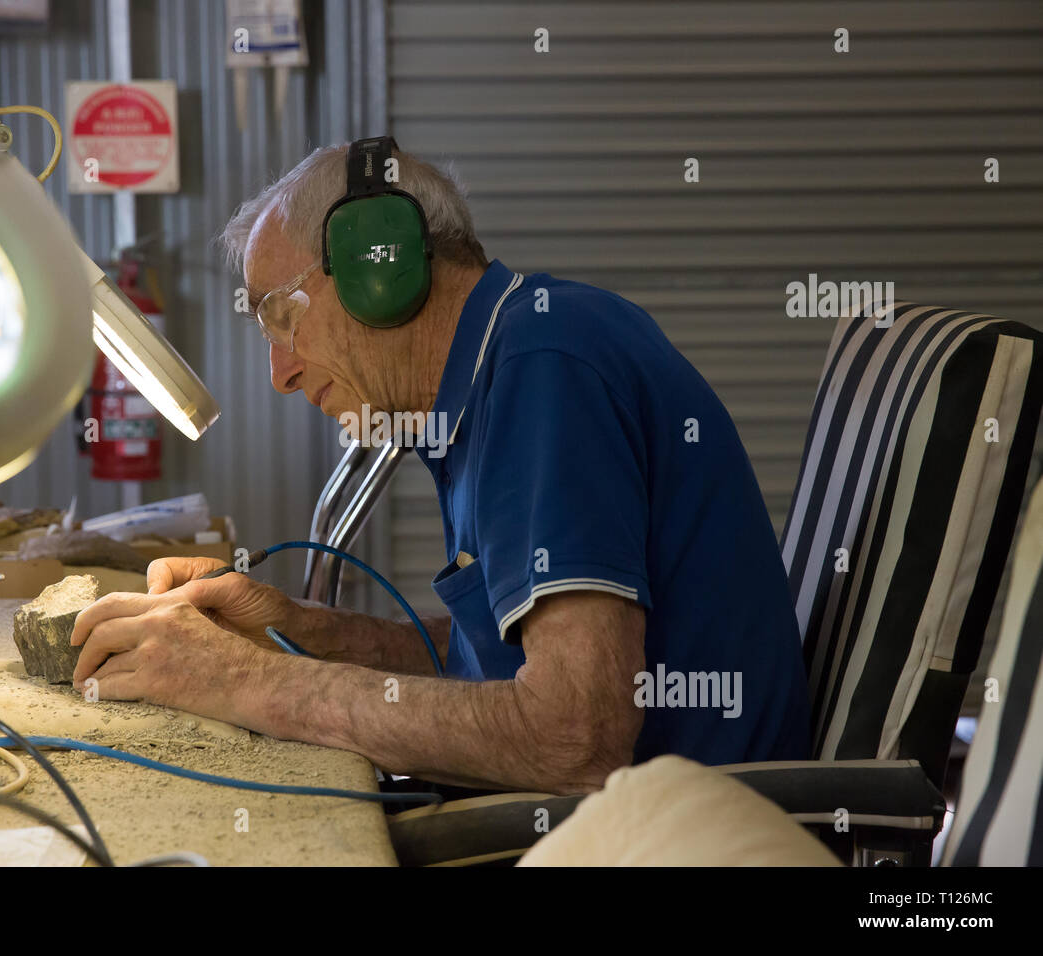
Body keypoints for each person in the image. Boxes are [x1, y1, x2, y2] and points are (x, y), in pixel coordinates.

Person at [70, 139, 809, 794]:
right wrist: (300, 631)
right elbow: (503, 656)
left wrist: (242, 681)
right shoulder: (496, 373)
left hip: (683, 838)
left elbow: (574, 734)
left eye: (283, 318)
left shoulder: (546, 366)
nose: (280, 375)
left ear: (376, 266)